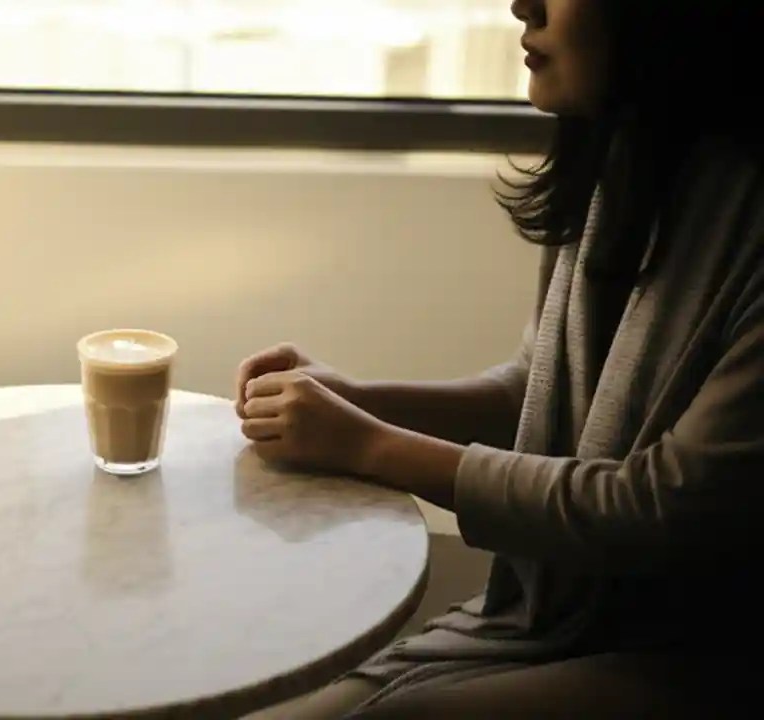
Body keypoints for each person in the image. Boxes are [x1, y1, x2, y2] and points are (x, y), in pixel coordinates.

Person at [236, 0, 764, 717]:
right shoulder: (621, 162)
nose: (522, 5)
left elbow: (658, 507)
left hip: (702, 650)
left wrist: (367, 445)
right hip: (554, 621)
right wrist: (358, 399)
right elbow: (538, 394)